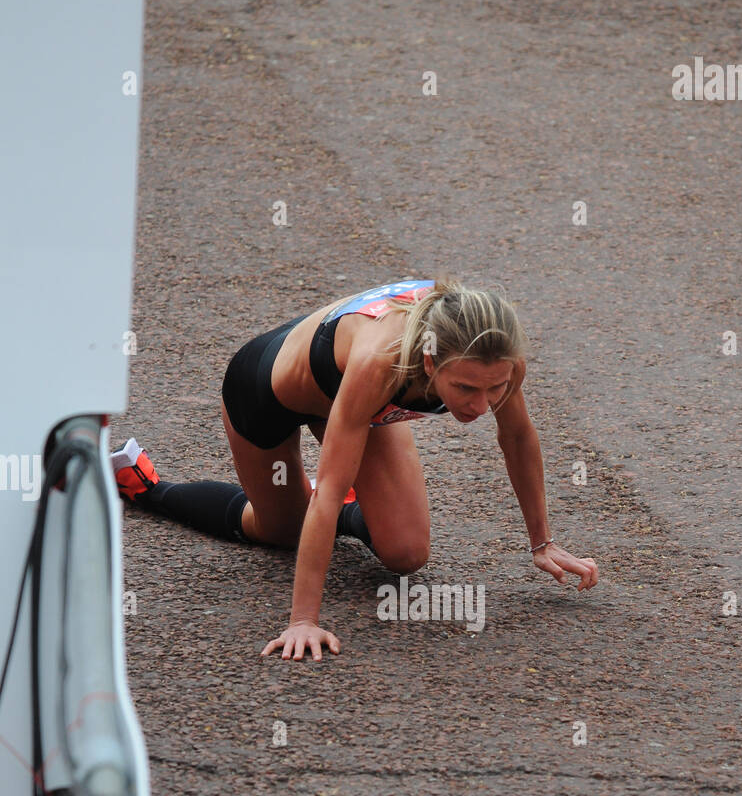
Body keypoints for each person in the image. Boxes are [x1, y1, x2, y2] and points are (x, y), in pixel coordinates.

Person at [112, 276, 599, 662]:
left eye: (494, 389)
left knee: (406, 554)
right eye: (466, 388)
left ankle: (353, 513)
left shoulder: (497, 357)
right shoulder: (381, 362)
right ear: (429, 363)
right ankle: (148, 487)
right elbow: (329, 489)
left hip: (355, 406)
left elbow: (515, 435)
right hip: (265, 391)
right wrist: (303, 619)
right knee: (280, 531)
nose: (481, 404)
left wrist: (543, 542)